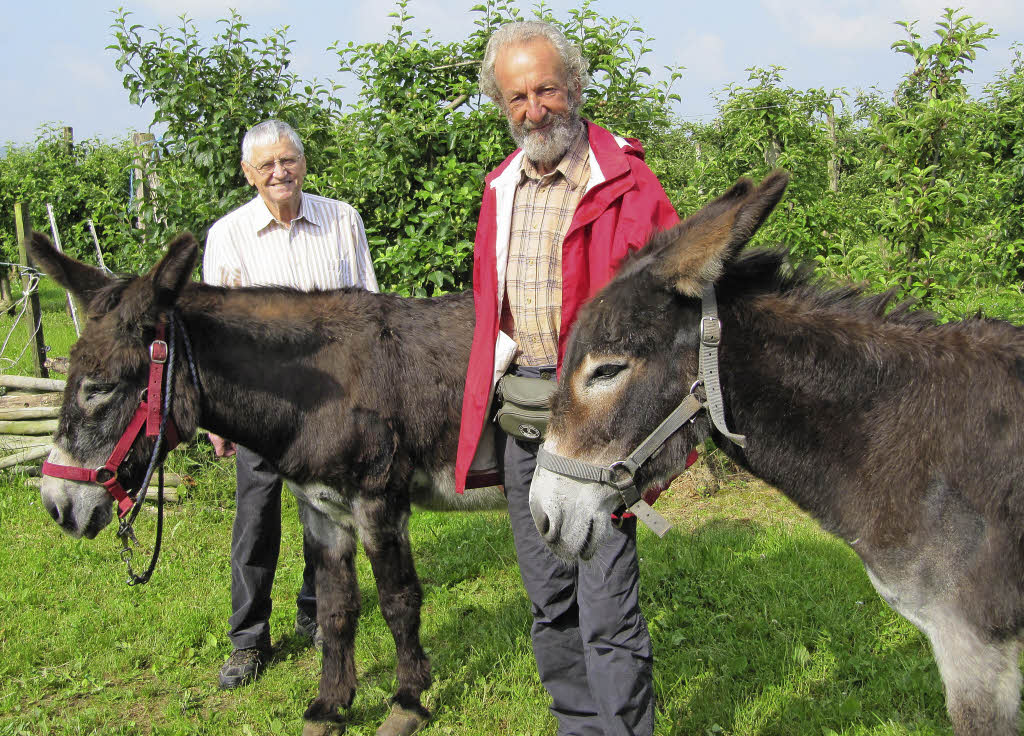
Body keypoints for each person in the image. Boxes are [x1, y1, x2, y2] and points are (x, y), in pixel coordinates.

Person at [454, 21, 681, 736]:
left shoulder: (628, 184)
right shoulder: (501, 189)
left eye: (546, 88)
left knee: (608, 602)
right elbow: (492, 309)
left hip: (599, 424)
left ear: (575, 86)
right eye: (516, 96)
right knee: (550, 596)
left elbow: (678, 310)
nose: (534, 108)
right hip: (526, 420)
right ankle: (578, 724)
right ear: (502, 104)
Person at [203, 119, 379, 689]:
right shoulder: (227, 236)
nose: (280, 173)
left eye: (289, 160)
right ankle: (248, 640)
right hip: (258, 406)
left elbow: (367, 310)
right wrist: (219, 416)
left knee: (323, 513)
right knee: (255, 520)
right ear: (248, 174)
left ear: (303, 162)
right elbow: (217, 336)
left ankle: (314, 611)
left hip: (328, 405)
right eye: (267, 165)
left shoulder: (341, 221)